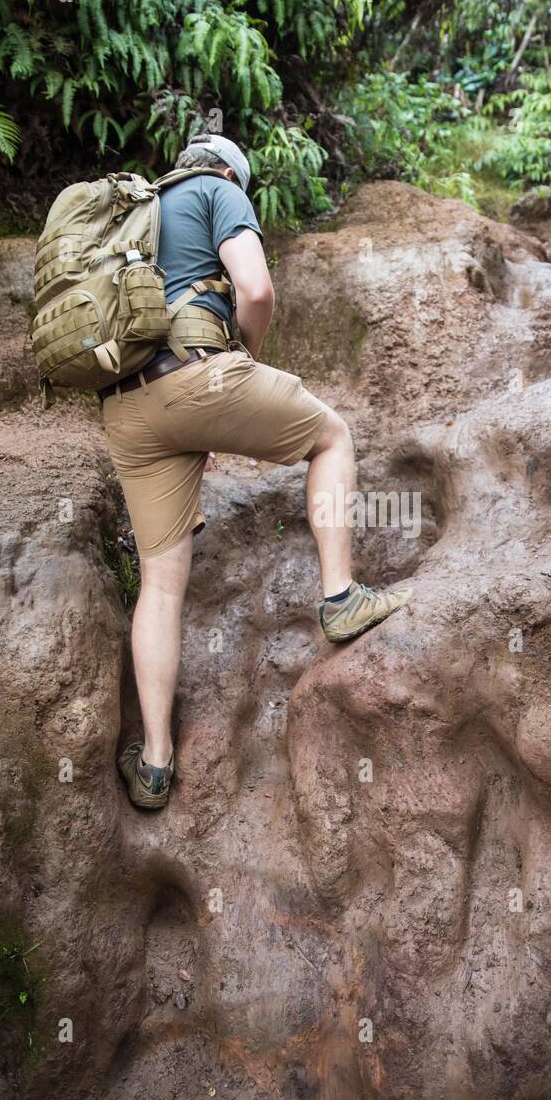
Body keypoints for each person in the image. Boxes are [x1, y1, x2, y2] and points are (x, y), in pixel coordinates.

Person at [101, 133, 411, 809]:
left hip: (127, 412)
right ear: (228, 171)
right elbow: (257, 289)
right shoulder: (220, 191)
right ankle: (340, 597)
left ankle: (154, 765)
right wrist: (241, 356)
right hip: (202, 377)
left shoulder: (130, 216)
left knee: (159, 584)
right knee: (332, 437)